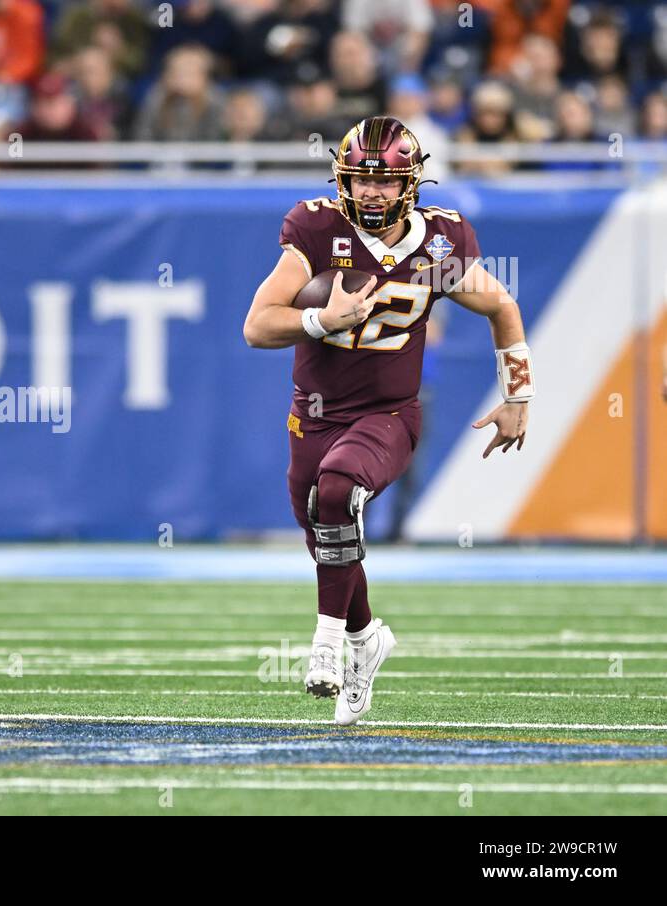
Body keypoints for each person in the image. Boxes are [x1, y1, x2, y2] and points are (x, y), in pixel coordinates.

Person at [243, 116, 534, 725]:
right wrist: (323, 320)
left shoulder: (438, 244)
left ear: (412, 181)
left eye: (385, 181)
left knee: (341, 488)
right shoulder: (319, 230)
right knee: (325, 530)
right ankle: (366, 638)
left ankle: (325, 648)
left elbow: (500, 306)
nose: (372, 192)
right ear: (341, 179)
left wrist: (518, 397)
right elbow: (257, 325)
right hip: (313, 415)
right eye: (361, 180)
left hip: (390, 412)